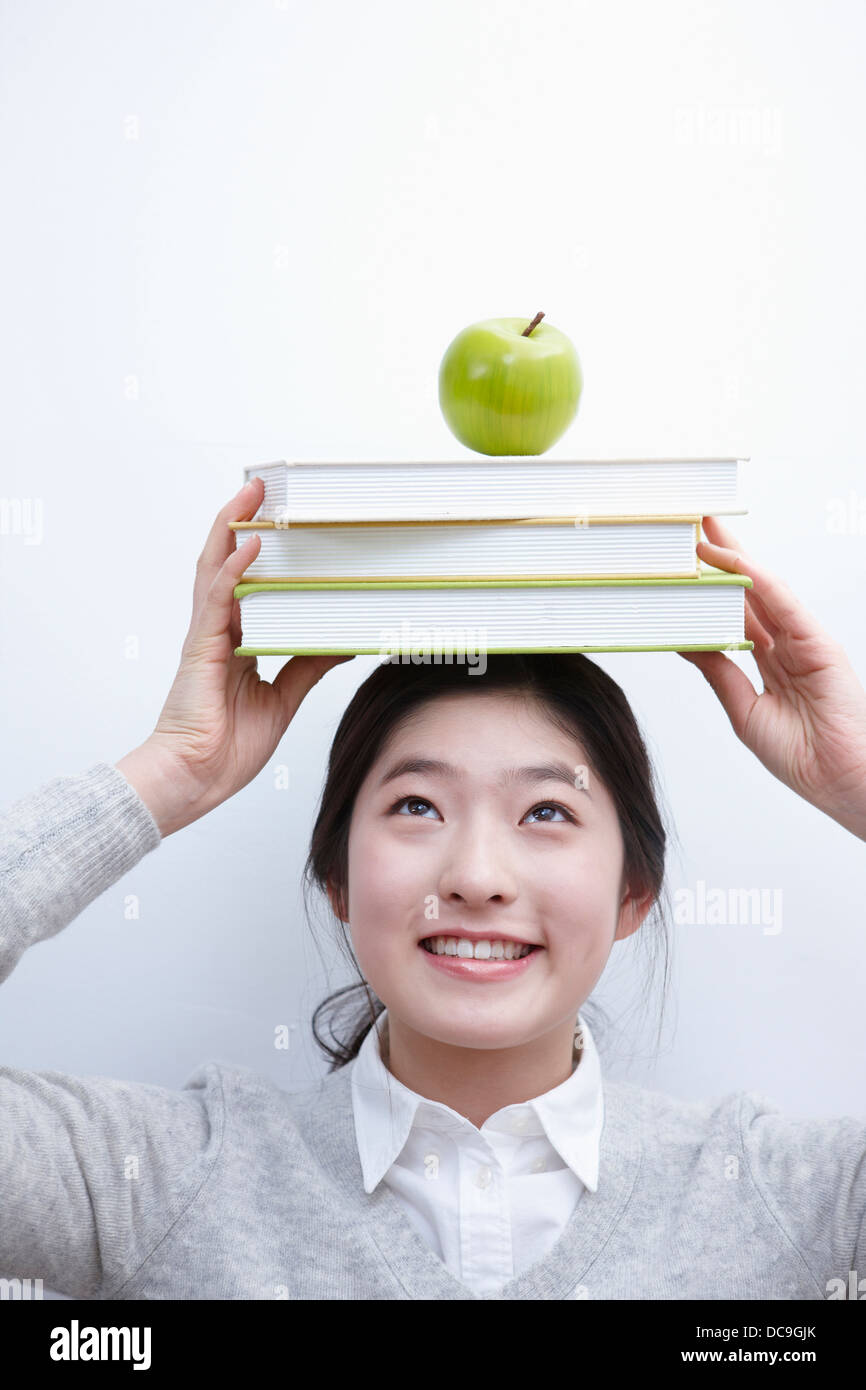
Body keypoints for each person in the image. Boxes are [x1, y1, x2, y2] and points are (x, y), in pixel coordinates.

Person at [1, 477, 865, 1301]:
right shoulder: (154, 1180)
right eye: (418, 805)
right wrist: (173, 769)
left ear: (634, 891)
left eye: (546, 812)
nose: (477, 879)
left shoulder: (792, 1201)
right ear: (336, 877)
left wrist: (853, 778)